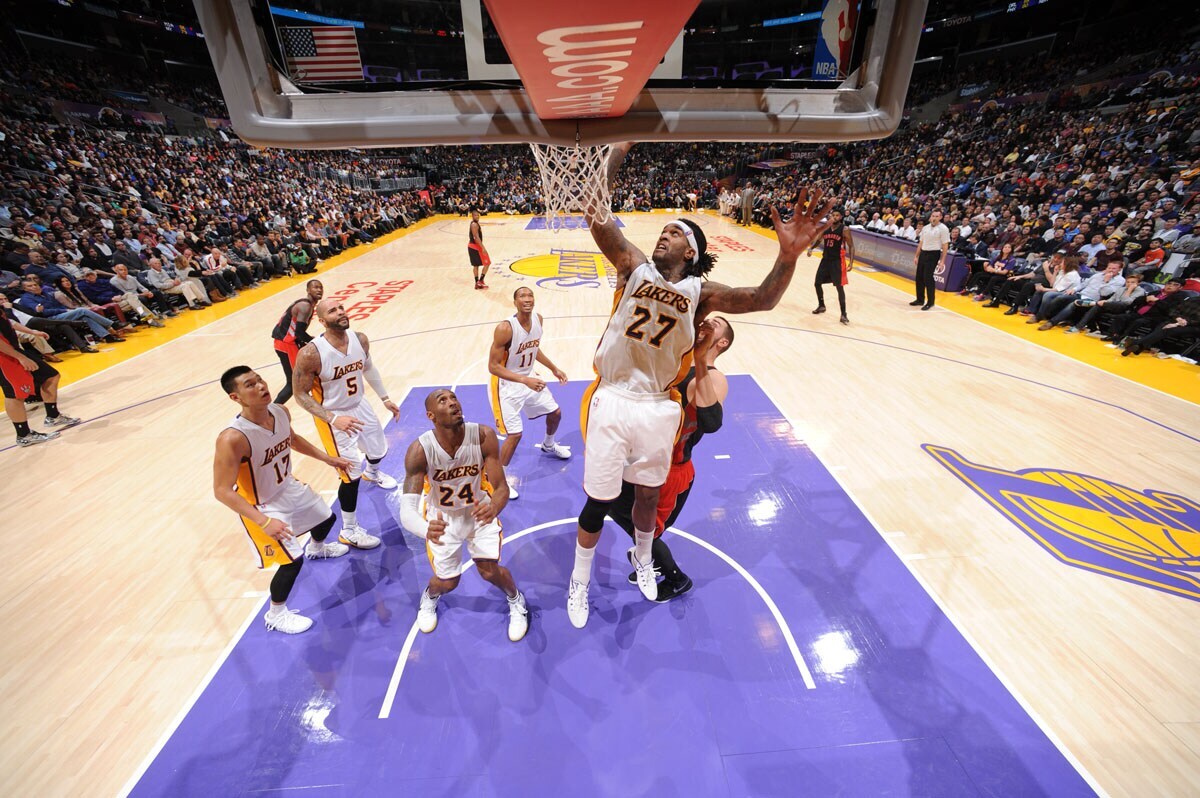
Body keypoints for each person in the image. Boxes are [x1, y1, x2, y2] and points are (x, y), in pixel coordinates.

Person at [567, 141, 834, 628]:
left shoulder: (699, 293)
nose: (663, 235)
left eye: (674, 232)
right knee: (600, 500)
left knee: (648, 496)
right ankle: (579, 583)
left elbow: (760, 299)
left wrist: (789, 256)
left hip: (656, 404)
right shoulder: (633, 267)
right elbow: (596, 211)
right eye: (663, 230)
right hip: (612, 395)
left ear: (691, 251)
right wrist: (616, 152)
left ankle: (646, 561)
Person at [212, 366, 355, 635]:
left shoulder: (279, 411)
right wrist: (264, 521)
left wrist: (327, 458)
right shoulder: (233, 438)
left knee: (327, 518)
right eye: (250, 385)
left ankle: (317, 547)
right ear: (235, 397)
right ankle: (276, 613)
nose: (261, 386)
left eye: (260, 380)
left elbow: (291, 439)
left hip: (287, 486)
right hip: (261, 505)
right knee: (291, 562)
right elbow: (221, 490)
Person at [608, 317, 732, 602]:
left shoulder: (712, 377)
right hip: (643, 459)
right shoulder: (676, 366)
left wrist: (700, 360)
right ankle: (646, 560)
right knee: (614, 507)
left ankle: (676, 579)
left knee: (645, 532)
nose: (706, 323)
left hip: (668, 471)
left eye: (715, 325)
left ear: (722, 342)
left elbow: (711, 421)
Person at [389, 388, 528, 642]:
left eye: (454, 398)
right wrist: (424, 528)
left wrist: (494, 506)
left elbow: (501, 488)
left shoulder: (483, 436)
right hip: (442, 520)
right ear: (431, 415)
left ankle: (516, 600)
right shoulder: (419, 451)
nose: (452, 403)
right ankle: (430, 597)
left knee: (489, 571)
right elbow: (407, 510)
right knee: (448, 582)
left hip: (479, 512)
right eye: (443, 401)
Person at [293, 298, 398, 548]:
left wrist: (385, 398)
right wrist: (333, 419)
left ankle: (373, 473)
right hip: (333, 415)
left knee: (378, 449)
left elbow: (368, 368)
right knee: (350, 474)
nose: (340, 312)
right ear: (321, 320)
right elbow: (299, 395)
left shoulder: (359, 339)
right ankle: (349, 529)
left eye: (341, 307)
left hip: (360, 405)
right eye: (332, 310)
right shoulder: (311, 353)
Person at [487, 287, 570, 498]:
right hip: (506, 384)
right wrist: (525, 380)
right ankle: (500, 481)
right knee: (515, 435)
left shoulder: (538, 320)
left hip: (528, 378)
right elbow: (493, 366)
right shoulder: (505, 328)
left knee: (556, 413)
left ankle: (548, 445)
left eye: (530, 295)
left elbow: (533, 348)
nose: (527, 299)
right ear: (514, 302)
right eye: (522, 296)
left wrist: (554, 368)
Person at [0, 307, 81, 446]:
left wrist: (32, 332)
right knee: (14, 395)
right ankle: (24, 435)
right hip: (5, 358)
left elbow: (9, 322)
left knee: (51, 376)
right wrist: (20, 357)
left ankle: (53, 416)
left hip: (15, 350)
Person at [270, 280, 323, 405]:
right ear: (308, 290)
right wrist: (317, 342)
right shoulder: (305, 306)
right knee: (293, 382)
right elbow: (299, 333)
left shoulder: (306, 304)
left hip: (288, 342)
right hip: (286, 344)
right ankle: (272, 409)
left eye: (321, 287)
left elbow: (297, 332)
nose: (319, 290)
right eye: (315, 287)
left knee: (308, 371)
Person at [808, 207, 854, 324]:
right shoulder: (827, 227)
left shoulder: (845, 229)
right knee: (817, 283)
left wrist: (851, 262)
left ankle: (843, 314)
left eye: (837, 215)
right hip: (825, 260)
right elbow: (819, 240)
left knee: (839, 288)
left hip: (836, 262)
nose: (834, 217)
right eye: (833, 215)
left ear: (841, 217)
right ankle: (821, 305)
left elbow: (851, 246)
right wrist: (811, 248)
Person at [910, 209, 949, 310]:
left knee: (928, 278)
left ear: (940, 217)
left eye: (937, 216)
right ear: (930, 217)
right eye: (933, 216)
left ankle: (930, 302)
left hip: (933, 254)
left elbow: (945, 245)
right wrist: (916, 256)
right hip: (923, 252)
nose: (934, 218)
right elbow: (921, 242)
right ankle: (920, 299)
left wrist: (942, 261)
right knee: (919, 277)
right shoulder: (926, 228)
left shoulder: (943, 229)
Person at [468, 210, 491, 290]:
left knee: (476, 265)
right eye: (475, 215)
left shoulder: (474, 223)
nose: (477, 217)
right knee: (487, 262)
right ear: (472, 216)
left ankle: (477, 283)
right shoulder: (474, 224)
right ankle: (480, 281)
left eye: (478, 215)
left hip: (472, 246)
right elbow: (476, 237)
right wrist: (483, 248)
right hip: (475, 246)